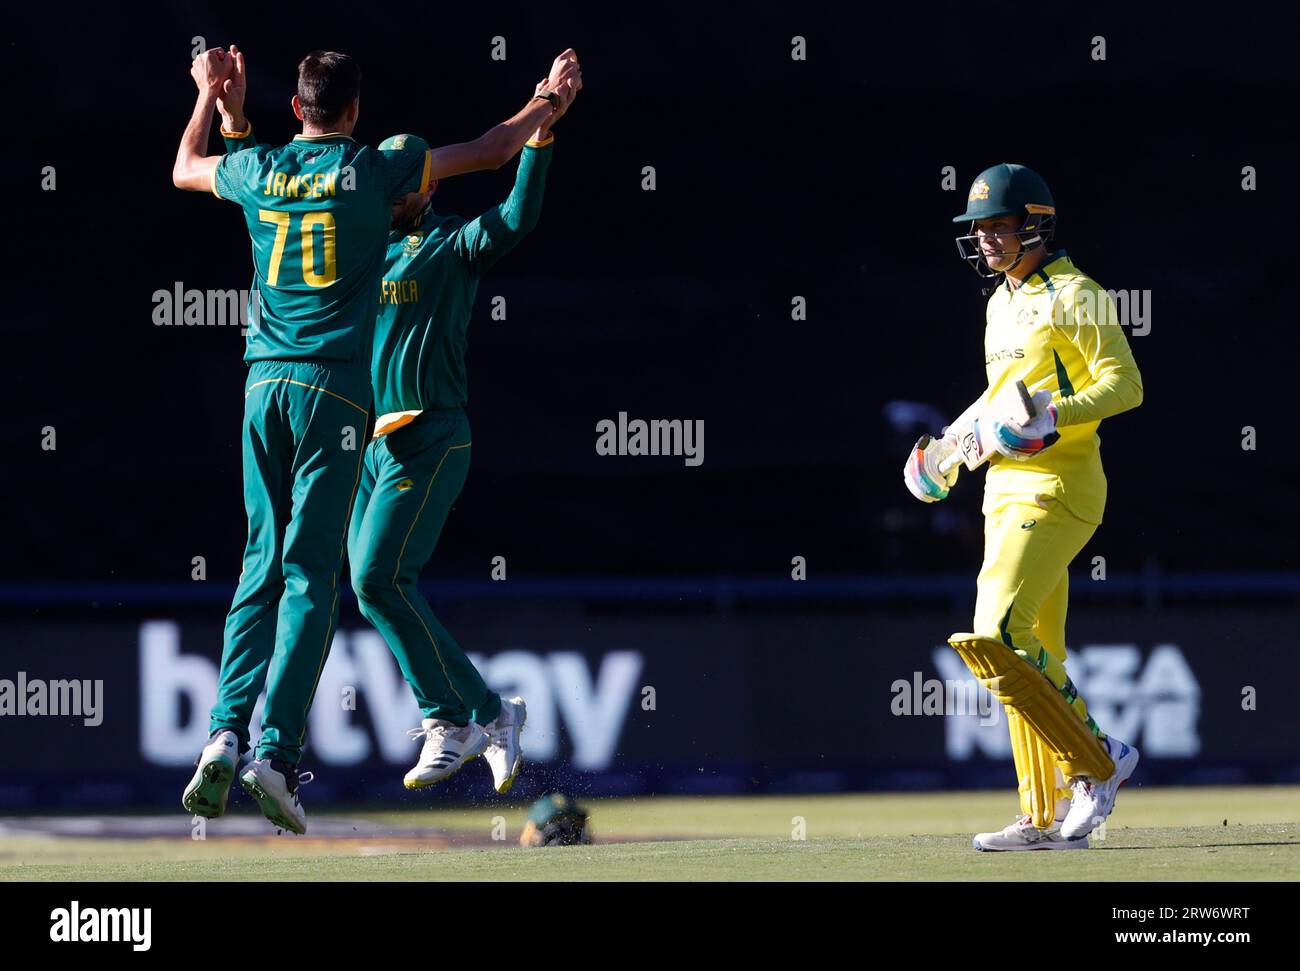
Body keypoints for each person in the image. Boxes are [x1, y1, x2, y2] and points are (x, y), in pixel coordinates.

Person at [174, 44, 580, 834]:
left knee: (279, 564)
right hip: (338, 407)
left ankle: (228, 729)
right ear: (354, 113)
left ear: (296, 108)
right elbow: (491, 148)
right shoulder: (372, 185)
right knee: (326, 578)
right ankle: (288, 752)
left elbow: (194, 167)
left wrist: (216, 102)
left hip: (282, 392)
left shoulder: (284, 181)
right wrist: (546, 109)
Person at [903, 163, 1144, 850]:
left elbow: (1125, 386)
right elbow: (999, 402)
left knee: (998, 634)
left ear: (1034, 224)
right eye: (977, 227)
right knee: (1036, 652)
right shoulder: (998, 304)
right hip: (1001, 490)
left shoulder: (1078, 293)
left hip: (1060, 487)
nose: (983, 237)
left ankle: (1099, 761)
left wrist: (1055, 417)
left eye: (997, 225)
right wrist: (945, 452)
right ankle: (1039, 815)